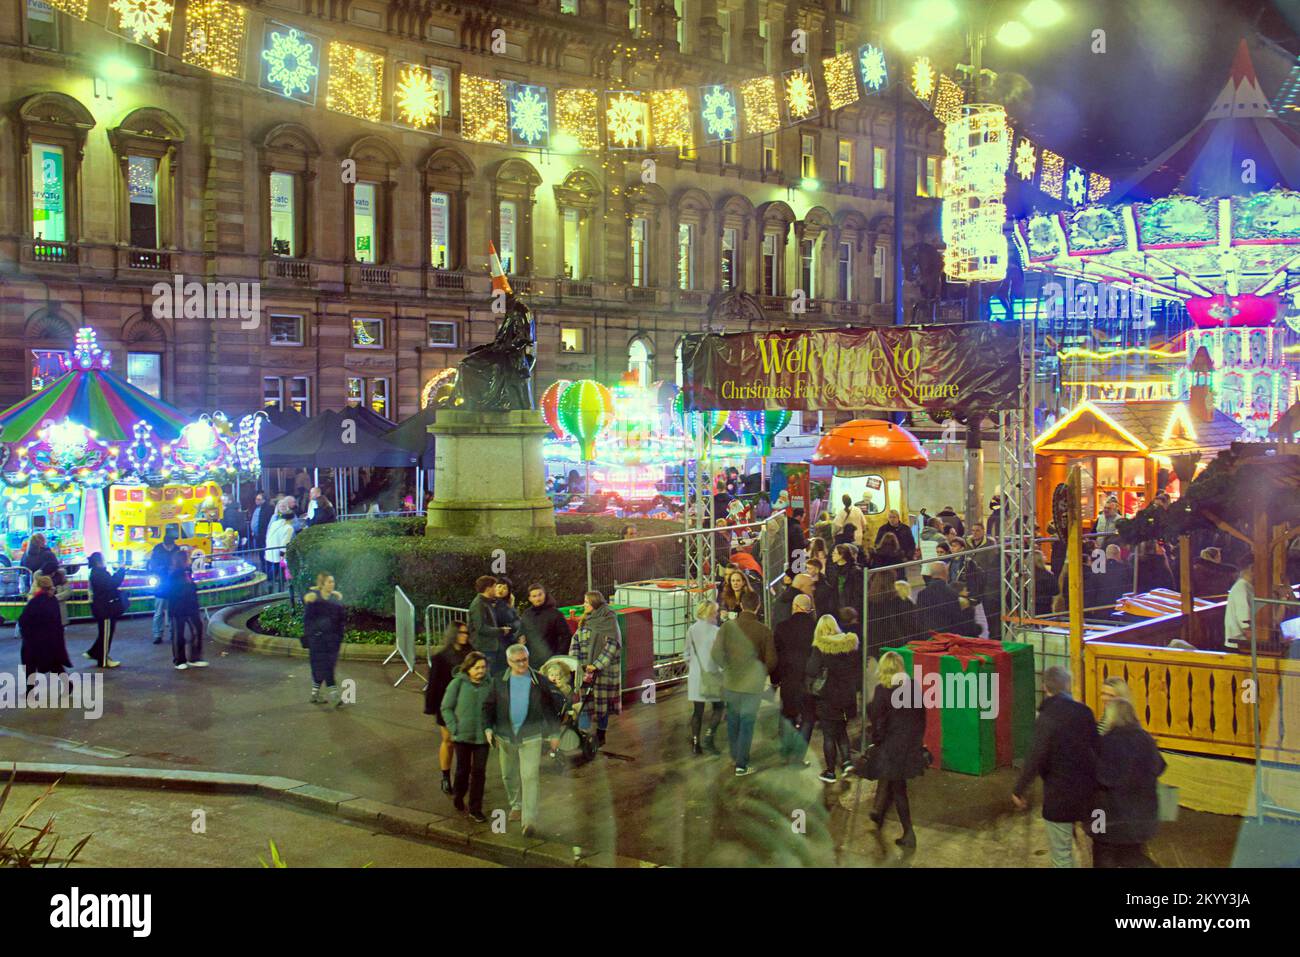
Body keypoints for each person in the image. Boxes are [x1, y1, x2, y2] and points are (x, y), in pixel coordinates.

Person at [1012, 666, 1099, 868]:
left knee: (1062, 856)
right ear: (1068, 685)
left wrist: (1019, 789)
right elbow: (1097, 749)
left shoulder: (1045, 718)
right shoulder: (1085, 712)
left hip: (1059, 798)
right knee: (1095, 849)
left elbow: (1036, 756)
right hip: (1090, 798)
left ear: (1044, 687)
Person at [483, 643, 566, 837]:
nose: (522, 664)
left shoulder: (539, 680)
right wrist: (488, 728)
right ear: (508, 662)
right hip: (505, 736)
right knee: (509, 774)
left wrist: (554, 734)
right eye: (517, 661)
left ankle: (529, 820)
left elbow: (551, 708)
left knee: (530, 777)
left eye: (524, 659)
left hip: (531, 735)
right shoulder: (499, 681)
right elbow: (488, 706)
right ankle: (516, 804)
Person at [1093, 697, 1166, 868]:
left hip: (1108, 816)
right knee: (1131, 856)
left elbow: (1100, 777)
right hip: (1141, 815)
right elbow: (1160, 767)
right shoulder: (1146, 739)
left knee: (1103, 856)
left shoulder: (1106, 742)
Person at [866, 651, 928, 848]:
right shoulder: (913, 687)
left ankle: (908, 832)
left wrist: (877, 742)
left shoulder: (882, 690)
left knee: (898, 788)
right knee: (893, 782)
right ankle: (879, 815)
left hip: (891, 747)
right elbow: (921, 717)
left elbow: (876, 721)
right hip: (909, 746)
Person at [710, 591, 776, 776]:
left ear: (740, 604)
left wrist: (728, 668)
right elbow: (772, 661)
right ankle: (741, 763)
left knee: (733, 720)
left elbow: (715, 654)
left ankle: (734, 755)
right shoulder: (764, 631)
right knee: (747, 722)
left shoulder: (727, 627)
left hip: (731, 682)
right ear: (758, 606)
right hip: (752, 686)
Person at [804, 614, 861, 783]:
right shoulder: (849, 644)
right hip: (847, 696)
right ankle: (846, 762)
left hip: (828, 698)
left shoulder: (820, 647)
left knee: (829, 735)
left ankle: (830, 772)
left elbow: (811, 669)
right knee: (841, 730)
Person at [441, 650, 493, 823]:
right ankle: (458, 794)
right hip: (462, 736)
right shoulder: (457, 684)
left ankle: (475, 808)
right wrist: (454, 728)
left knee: (479, 772)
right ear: (468, 668)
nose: (481, 671)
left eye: (483, 667)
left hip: (482, 737)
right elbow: (446, 707)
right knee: (463, 770)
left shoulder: (489, 684)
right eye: (477, 667)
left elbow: (495, 708)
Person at [569, 590, 621, 749]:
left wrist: (597, 665)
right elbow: (575, 641)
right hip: (585, 671)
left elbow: (612, 645)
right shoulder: (586, 621)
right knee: (585, 703)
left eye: (586, 602)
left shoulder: (609, 620)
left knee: (602, 705)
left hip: (604, 672)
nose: (584, 604)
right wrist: (575, 662)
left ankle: (601, 734)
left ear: (594, 604)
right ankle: (584, 735)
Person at [424, 620, 472, 795]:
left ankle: (464, 776)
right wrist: (431, 707)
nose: (464, 636)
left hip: (467, 705)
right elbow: (433, 684)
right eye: (461, 632)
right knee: (449, 741)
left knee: (466, 744)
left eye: (466, 633)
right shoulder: (441, 657)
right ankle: (445, 776)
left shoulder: (471, 654)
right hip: (447, 705)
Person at [772, 593, 817, 765]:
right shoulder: (815, 627)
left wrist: (775, 679)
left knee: (787, 715)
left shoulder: (782, 627)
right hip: (807, 681)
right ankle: (798, 757)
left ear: (795, 607)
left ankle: (785, 750)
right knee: (807, 718)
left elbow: (776, 657)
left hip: (788, 680)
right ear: (809, 609)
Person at [685, 600, 725, 755]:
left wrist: (693, 667)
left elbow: (686, 653)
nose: (717, 614)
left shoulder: (691, 630)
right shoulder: (716, 631)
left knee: (698, 711)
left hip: (696, 676)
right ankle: (709, 737)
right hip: (713, 674)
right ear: (709, 613)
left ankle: (696, 743)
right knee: (719, 707)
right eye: (715, 611)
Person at [303, 572, 346, 706]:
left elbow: (341, 620)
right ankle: (334, 693)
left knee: (325, 665)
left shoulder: (335, 600)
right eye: (329, 582)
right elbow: (308, 620)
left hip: (332, 640)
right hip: (318, 640)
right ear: (322, 584)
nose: (332, 584)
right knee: (324, 666)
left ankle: (315, 693)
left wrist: (339, 637)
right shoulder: (314, 600)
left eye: (333, 581)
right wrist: (312, 636)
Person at [19, 575, 71, 680]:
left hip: (34, 639)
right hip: (51, 639)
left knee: (30, 665)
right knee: (55, 664)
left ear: (39, 587)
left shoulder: (34, 602)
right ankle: (67, 684)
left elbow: (24, 620)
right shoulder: (53, 600)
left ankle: (30, 690)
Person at [166, 551, 206, 670]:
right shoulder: (174, 574)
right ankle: (179, 660)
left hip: (190, 606)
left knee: (197, 628)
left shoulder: (187, 572)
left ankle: (194, 657)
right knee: (179, 633)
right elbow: (173, 591)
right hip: (179, 607)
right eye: (187, 558)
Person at [85, 552, 126, 668]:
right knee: (106, 634)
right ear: (99, 562)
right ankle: (103, 660)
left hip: (102, 606)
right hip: (105, 608)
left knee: (105, 633)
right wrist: (121, 571)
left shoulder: (96, 573)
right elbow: (113, 584)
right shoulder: (99, 574)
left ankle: (94, 653)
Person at [865, 568, 916, 660]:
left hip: (875, 644)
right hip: (896, 643)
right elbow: (907, 623)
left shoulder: (869, 601)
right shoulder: (899, 600)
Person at [914, 562, 975, 637]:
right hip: (948, 635)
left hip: (929, 635)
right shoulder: (952, 593)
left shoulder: (922, 594)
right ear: (946, 573)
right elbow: (956, 617)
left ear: (931, 574)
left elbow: (919, 618)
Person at [519, 583, 570, 666]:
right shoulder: (526, 614)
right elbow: (521, 632)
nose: (538, 598)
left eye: (540, 595)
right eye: (534, 596)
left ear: (545, 595)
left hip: (551, 659)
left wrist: (558, 656)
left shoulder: (555, 614)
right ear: (530, 598)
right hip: (531, 660)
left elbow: (566, 635)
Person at [468, 575, 510, 675]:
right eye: (495, 586)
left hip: (490, 647)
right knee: (487, 677)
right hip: (484, 648)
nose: (496, 589)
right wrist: (501, 630)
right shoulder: (479, 604)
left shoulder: (486, 603)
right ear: (488, 588)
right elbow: (481, 628)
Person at [147, 526, 181, 646]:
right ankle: (157, 634)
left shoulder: (176, 549)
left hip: (171, 584)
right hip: (162, 584)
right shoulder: (158, 549)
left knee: (172, 611)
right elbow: (153, 565)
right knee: (159, 612)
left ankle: (173, 633)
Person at [1223, 560, 1255, 651]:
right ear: (1252, 568)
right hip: (1238, 645)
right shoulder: (1241, 588)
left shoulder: (1248, 586)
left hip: (1244, 643)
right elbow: (1245, 622)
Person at [264, 497, 296, 587]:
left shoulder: (275, 523)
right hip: (279, 551)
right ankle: (280, 587)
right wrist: (282, 554)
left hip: (271, 549)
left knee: (274, 568)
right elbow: (285, 542)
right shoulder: (288, 528)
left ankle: (270, 583)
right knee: (279, 569)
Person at [828, 544, 863, 620]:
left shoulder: (855, 571)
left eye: (834, 553)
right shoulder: (833, 570)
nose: (832, 555)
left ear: (841, 555)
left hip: (850, 610)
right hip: (837, 609)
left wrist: (853, 609)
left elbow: (858, 592)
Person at [1034, 550, 1059, 617]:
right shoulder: (1048, 575)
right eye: (1044, 556)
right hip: (1045, 605)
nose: (1045, 557)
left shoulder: (1027, 575)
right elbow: (1056, 591)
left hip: (1029, 606)